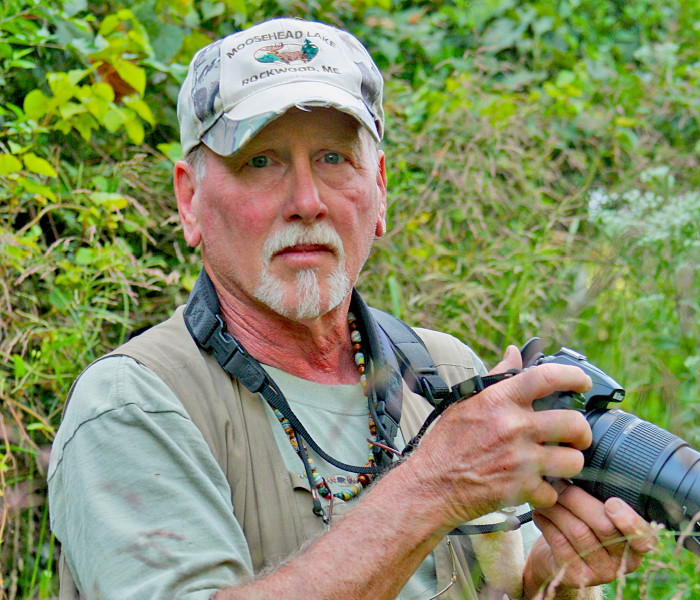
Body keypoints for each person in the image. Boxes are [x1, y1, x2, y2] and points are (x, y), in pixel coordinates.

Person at [47, 17, 655, 600]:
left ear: (380, 189)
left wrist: (559, 581)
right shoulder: (134, 404)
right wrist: (435, 485)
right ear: (190, 200)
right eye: (261, 161)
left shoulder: (443, 371)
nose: (306, 201)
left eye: (334, 159)